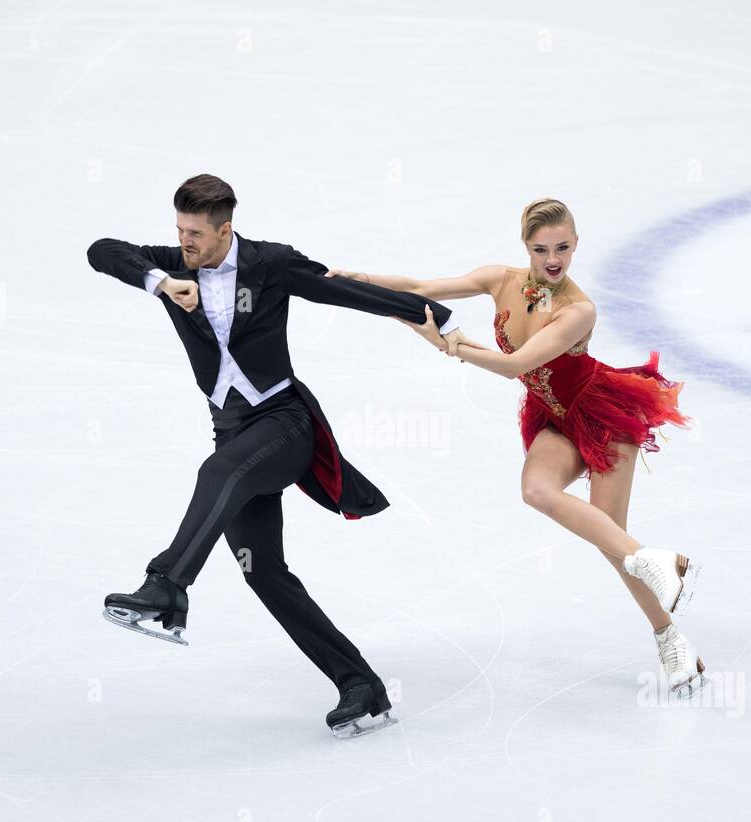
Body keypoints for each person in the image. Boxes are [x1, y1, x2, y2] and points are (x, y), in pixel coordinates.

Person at [86, 173, 468, 736]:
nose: (186, 241)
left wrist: (428, 312)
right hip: (233, 432)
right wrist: (161, 282)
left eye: (195, 233)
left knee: (218, 472)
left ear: (225, 229)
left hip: (284, 424)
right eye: (179, 230)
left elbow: (343, 292)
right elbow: (101, 252)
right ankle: (360, 685)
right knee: (262, 570)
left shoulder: (270, 264)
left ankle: (167, 585)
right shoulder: (174, 267)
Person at [328, 198, 706, 697]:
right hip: (552, 413)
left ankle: (669, 637)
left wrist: (448, 343)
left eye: (563, 248)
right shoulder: (498, 279)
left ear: (576, 244)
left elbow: (514, 365)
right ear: (525, 246)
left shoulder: (579, 310)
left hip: (602, 414)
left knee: (612, 540)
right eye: (541, 248)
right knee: (537, 491)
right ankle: (657, 562)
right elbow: (421, 289)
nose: (553, 259)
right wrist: (362, 280)